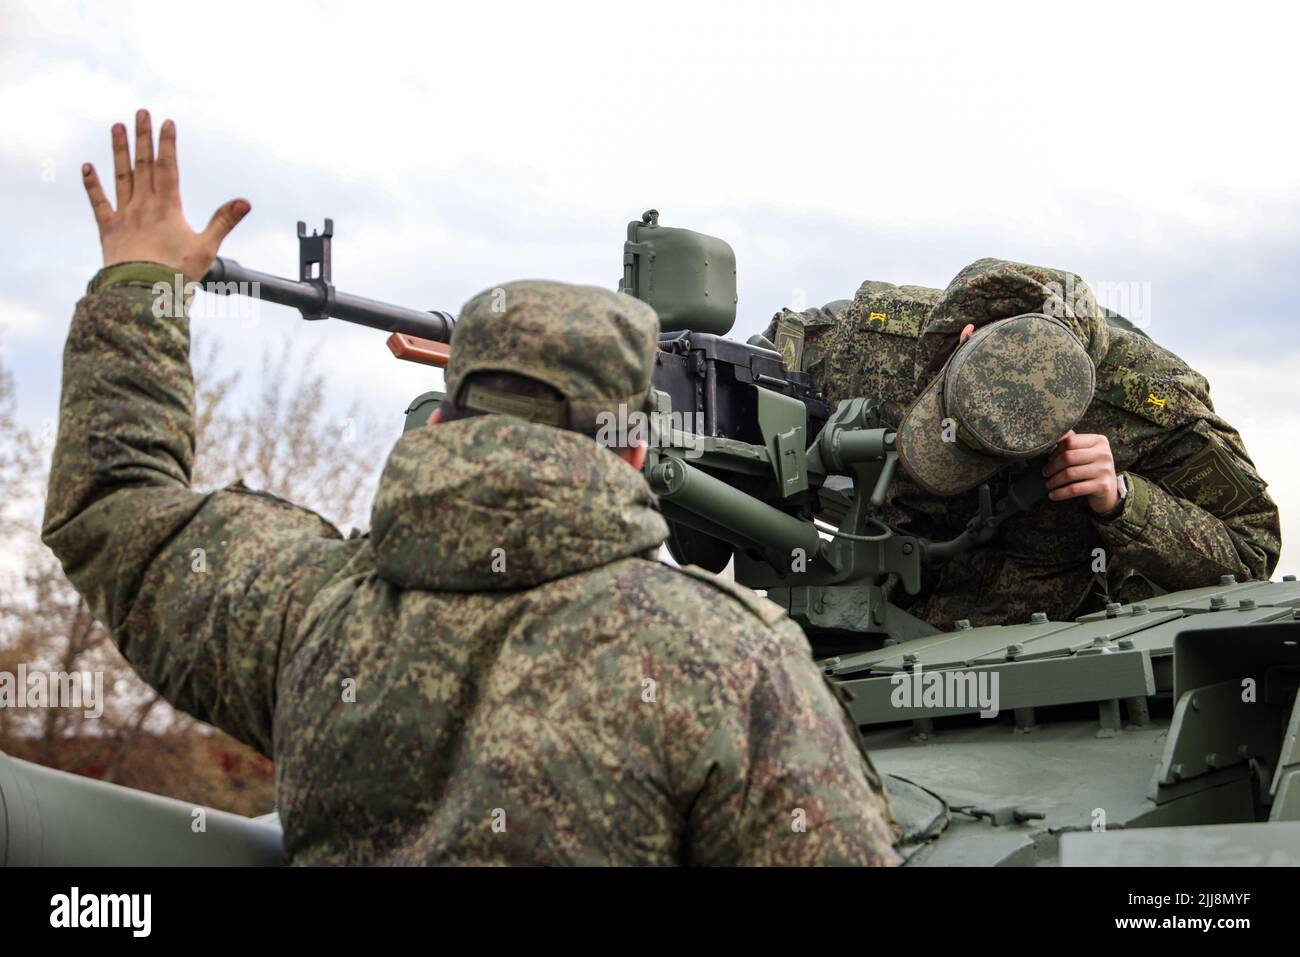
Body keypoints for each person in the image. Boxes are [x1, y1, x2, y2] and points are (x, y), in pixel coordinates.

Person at [42, 110, 899, 866]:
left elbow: (116, 505)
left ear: (441, 422)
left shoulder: (304, 613)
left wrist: (140, 287)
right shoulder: (733, 666)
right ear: (634, 456)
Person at [774, 258, 1280, 627]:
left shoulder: (1154, 408)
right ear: (964, 338)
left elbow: (1252, 549)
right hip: (875, 626)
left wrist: (1123, 500)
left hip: (1051, 655)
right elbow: (759, 369)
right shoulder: (875, 339)